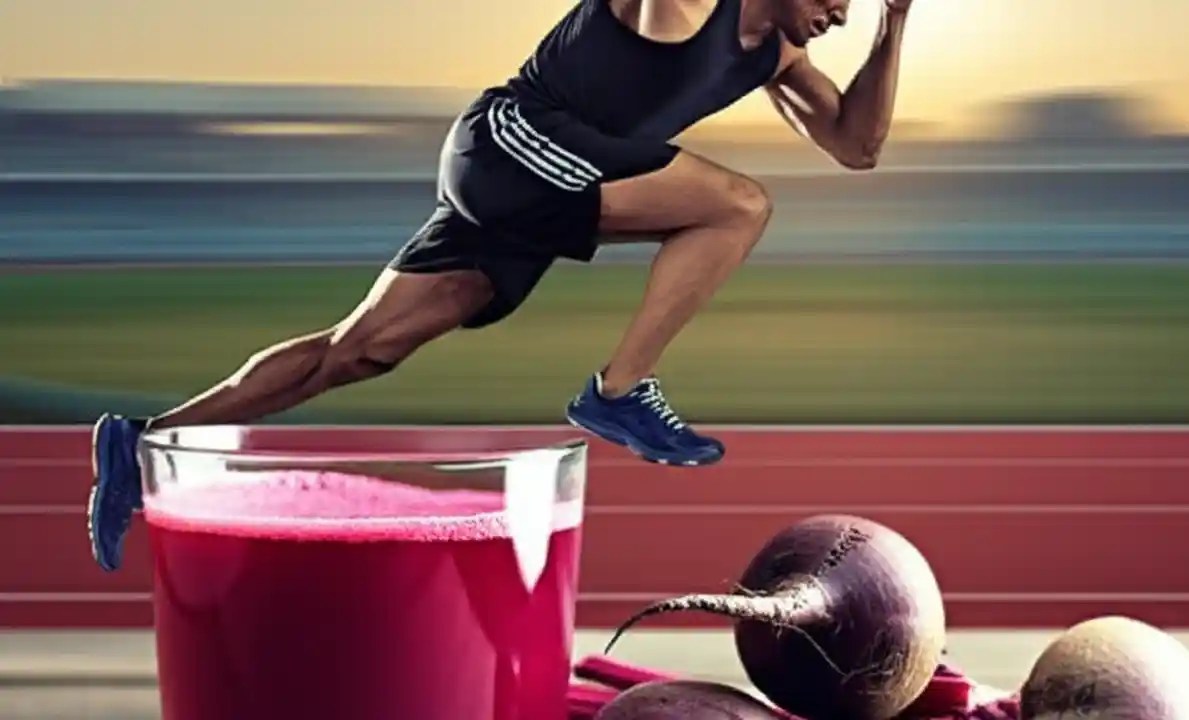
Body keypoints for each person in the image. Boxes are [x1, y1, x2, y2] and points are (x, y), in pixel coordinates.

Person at [88, 0, 916, 571]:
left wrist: (896, 25)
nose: (843, 10)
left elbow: (858, 144)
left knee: (359, 352)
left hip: (544, 184)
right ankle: (619, 390)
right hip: (512, 141)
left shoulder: (777, 57)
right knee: (739, 205)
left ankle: (143, 439)